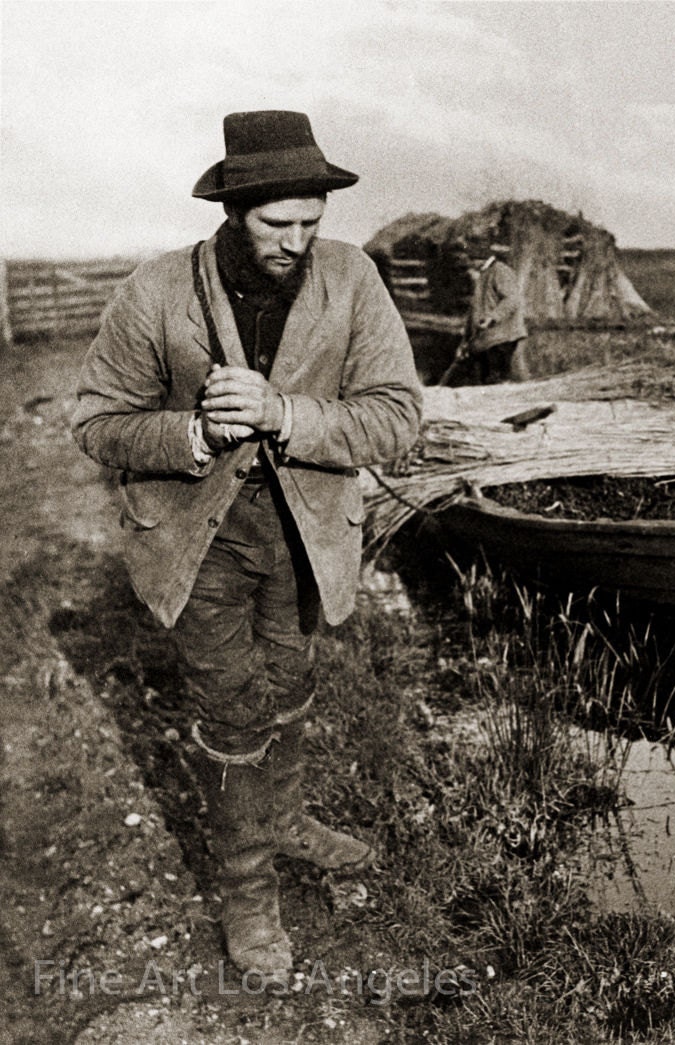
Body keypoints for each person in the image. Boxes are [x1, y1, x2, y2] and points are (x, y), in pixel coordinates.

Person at [72, 110, 424, 986]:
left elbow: (397, 414)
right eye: (278, 224)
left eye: (313, 221)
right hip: (201, 535)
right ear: (234, 211)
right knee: (231, 710)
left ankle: (287, 817)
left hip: (307, 531)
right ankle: (246, 891)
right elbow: (95, 421)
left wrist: (286, 415)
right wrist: (190, 433)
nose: (299, 242)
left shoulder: (352, 278)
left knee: (290, 681)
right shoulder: (157, 291)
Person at [452, 244, 529, 384]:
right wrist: (464, 342)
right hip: (485, 339)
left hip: (503, 336)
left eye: (469, 260)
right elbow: (474, 311)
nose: (468, 265)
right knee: (485, 380)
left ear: (478, 259)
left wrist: (493, 317)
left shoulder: (500, 271)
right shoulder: (480, 275)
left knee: (497, 380)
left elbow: (512, 299)